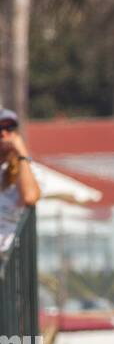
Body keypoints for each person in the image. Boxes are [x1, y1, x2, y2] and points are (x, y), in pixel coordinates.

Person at [0, 108, 40, 253]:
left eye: (9, 128)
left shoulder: (26, 170)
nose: (3, 134)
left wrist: (22, 154)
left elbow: (29, 197)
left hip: (10, 257)